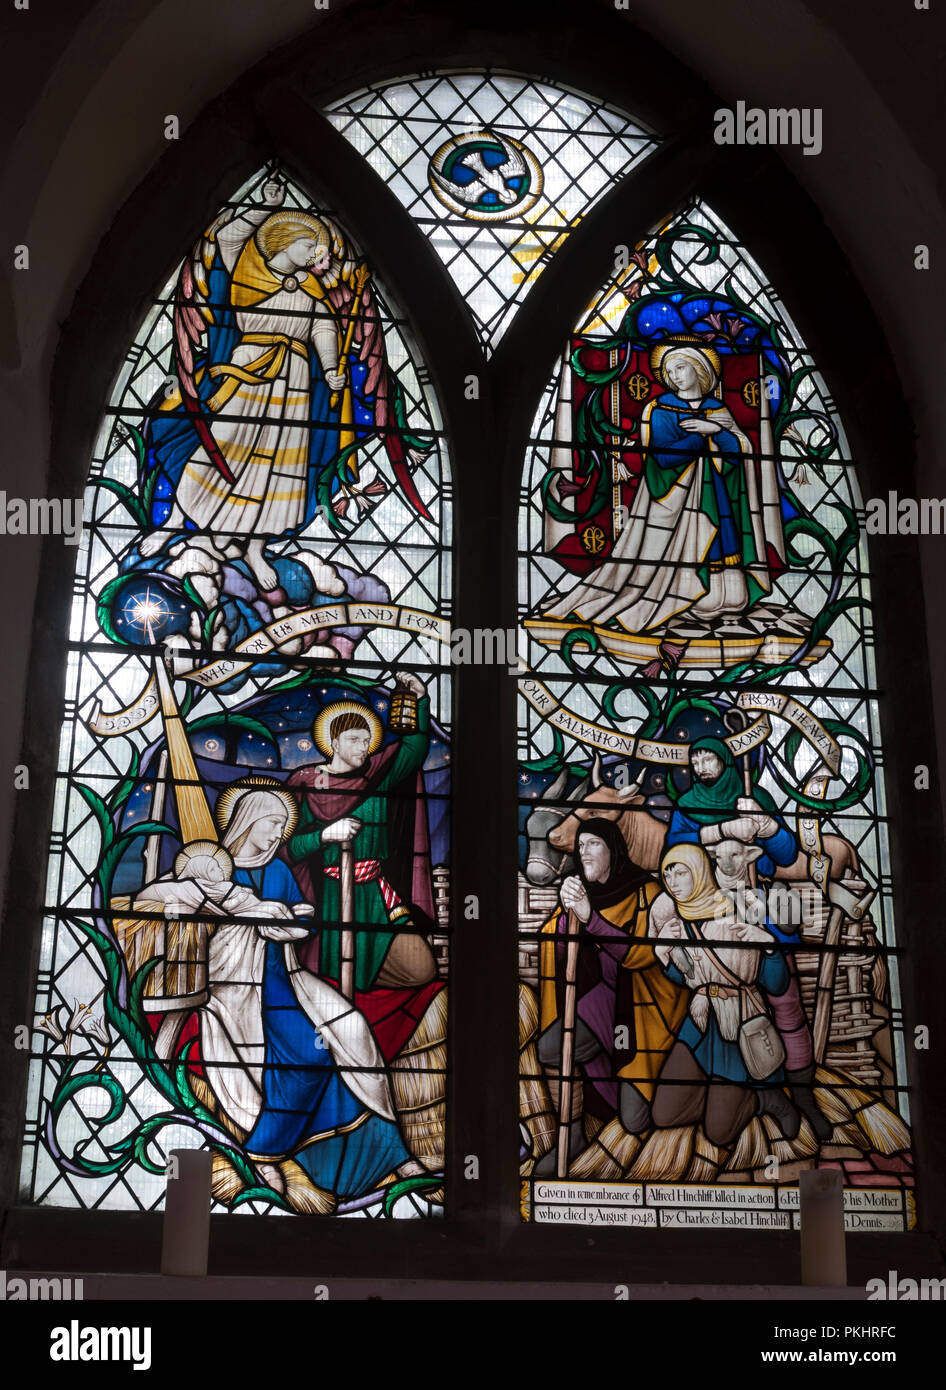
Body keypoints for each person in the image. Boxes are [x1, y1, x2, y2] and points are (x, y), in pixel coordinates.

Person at [134, 781, 418, 1211]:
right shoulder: (214, 869)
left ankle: (389, 1157)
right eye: (271, 824)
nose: (276, 835)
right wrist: (236, 909)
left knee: (352, 1035)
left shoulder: (280, 871)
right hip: (234, 986)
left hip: (284, 978)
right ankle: (264, 1151)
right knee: (313, 1053)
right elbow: (152, 897)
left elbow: (300, 917)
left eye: (283, 827)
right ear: (248, 820)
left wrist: (294, 919)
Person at [141, 177, 428, 590]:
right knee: (219, 448)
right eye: (308, 245)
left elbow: (324, 330)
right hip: (246, 373)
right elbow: (227, 234)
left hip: (292, 384)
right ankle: (175, 523)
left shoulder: (312, 289)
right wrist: (263, 205)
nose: (316, 254)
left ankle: (257, 547)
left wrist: (331, 368)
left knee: (282, 467)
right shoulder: (243, 270)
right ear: (283, 240)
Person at [545, 343, 787, 633]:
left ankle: (729, 597)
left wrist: (717, 431)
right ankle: (687, 595)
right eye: (670, 372)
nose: (675, 377)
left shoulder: (718, 410)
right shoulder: (658, 409)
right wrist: (700, 440)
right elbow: (660, 457)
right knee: (686, 549)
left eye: (680, 368)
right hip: (677, 500)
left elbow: (740, 453)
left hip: (718, 493)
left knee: (724, 543)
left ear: (699, 369)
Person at [666, 735, 831, 1136]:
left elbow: (787, 855)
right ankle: (748, 1090)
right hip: (704, 905)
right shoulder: (687, 806)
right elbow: (670, 850)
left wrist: (766, 824)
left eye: (709, 757)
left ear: (725, 760)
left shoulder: (751, 795)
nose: (703, 765)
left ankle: (803, 1091)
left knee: (784, 998)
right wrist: (720, 829)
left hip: (757, 903)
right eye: (696, 759)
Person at [534, 818, 688, 1173]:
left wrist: (590, 917)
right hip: (603, 997)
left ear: (612, 850)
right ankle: (570, 1136)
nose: (584, 851)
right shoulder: (581, 891)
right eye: (581, 845)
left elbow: (640, 956)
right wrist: (565, 914)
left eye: (593, 844)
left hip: (642, 1004)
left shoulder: (644, 892)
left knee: (634, 1121)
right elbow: (552, 941)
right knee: (551, 1048)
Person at [286, 673, 437, 993]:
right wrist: (324, 836)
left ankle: (363, 998)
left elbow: (414, 746)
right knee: (329, 968)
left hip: (373, 892)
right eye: (355, 739)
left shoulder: (377, 773)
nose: (363, 746)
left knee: (421, 969)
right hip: (327, 895)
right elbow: (287, 848)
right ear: (335, 742)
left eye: (367, 740)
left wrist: (421, 701)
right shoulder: (305, 781)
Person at [650, 843, 801, 1145]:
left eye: (681, 873)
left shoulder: (739, 913)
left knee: (719, 1134)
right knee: (662, 1115)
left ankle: (765, 1100)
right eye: (668, 876)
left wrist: (768, 946)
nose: (674, 882)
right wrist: (663, 953)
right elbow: (688, 977)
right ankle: (717, 1101)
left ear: (701, 873)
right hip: (701, 1022)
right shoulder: (677, 922)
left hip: (738, 1021)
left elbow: (776, 984)